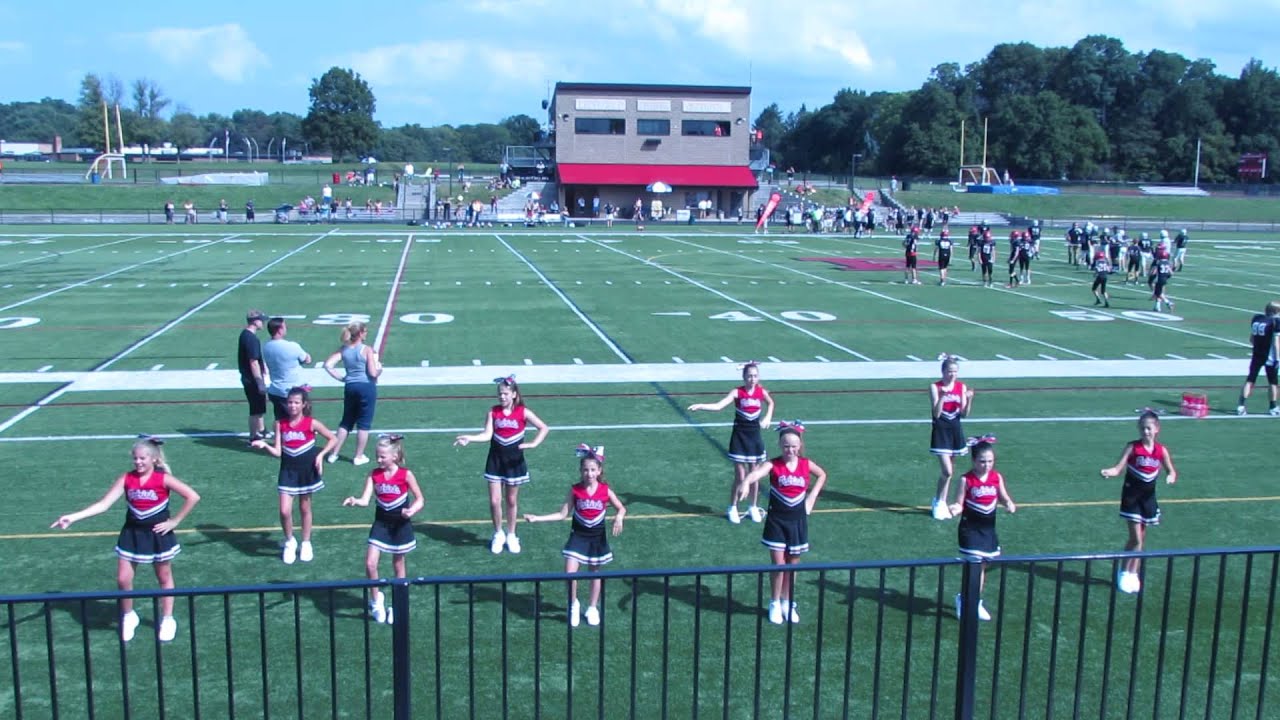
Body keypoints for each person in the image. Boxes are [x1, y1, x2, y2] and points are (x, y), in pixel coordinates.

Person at [51, 437, 201, 642]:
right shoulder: (127, 478)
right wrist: (73, 517)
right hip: (131, 533)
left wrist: (174, 521)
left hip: (158, 534)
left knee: (164, 576)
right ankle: (129, 616)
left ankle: (168, 618)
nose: (138, 462)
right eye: (135, 458)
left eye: (142, 458)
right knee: (123, 579)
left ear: (154, 459)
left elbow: (193, 496)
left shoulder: (163, 478)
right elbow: (104, 504)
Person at [524, 444, 626, 627]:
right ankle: (573, 604)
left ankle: (592, 608)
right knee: (570, 573)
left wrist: (619, 517)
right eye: (586, 470)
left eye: (593, 470)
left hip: (597, 539)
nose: (589, 474)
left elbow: (621, 507)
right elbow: (562, 514)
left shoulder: (605, 490)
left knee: (594, 574)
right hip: (578, 537)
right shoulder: (575, 490)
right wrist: (537, 518)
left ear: (599, 470)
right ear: (580, 471)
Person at [741, 422, 827, 624]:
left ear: (800, 445)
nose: (790, 450)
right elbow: (756, 473)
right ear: (780, 445)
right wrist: (745, 482)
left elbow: (822, 475)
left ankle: (788, 602)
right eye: (786, 446)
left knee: (792, 566)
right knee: (778, 565)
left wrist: (812, 497)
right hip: (777, 521)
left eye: (794, 446)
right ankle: (774, 603)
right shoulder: (773, 464)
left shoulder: (806, 464)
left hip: (797, 522)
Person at [454, 375, 550, 554]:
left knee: (511, 500)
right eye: (500, 394)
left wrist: (533, 444)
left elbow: (544, 428)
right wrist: (470, 438)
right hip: (495, 461)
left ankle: (512, 534)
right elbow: (487, 435)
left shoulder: (523, 412)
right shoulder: (493, 412)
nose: (502, 397)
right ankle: (498, 534)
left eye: (506, 393)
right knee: (494, 501)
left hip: (514, 462)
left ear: (514, 394)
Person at [342, 434, 424, 625]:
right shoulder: (373, 475)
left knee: (398, 565)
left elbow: (420, 498)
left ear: (394, 456)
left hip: (400, 525)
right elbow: (365, 500)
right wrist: (355, 501)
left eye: (382, 457)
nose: (378, 460)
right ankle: (376, 600)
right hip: (381, 523)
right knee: (370, 563)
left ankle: (397, 603)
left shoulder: (406, 474)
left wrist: (411, 510)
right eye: (377, 456)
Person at [251, 386, 337, 564]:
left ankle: (306, 543)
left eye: (297, 402)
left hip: (306, 471)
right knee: (284, 510)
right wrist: (265, 445)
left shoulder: (311, 423)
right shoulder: (280, 424)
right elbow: (278, 452)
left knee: (305, 508)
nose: (293, 406)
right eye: (290, 402)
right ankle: (290, 541)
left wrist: (320, 455)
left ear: (304, 404)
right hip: (288, 471)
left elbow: (333, 438)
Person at [687, 361, 776, 524]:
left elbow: (771, 403)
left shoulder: (761, 392)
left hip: (754, 437)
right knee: (740, 475)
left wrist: (768, 417)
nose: (752, 379)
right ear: (744, 377)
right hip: (740, 437)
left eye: (755, 376)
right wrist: (701, 405)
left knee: (754, 474)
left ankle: (753, 506)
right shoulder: (737, 392)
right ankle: (733, 507)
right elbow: (719, 406)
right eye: (749, 376)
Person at [1100, 410, 1177, 594]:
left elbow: (1171, 470)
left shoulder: (1161, 450)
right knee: (1136, 538)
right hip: (1132, 498)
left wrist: (1171, 477)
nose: (1145, 431)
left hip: (1148, 499)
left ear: (1157, 429)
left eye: (1149, 428)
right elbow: (1118, 468)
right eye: (1142, 428)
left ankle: (1133, 573)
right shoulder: (1133, 447)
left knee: (1141, 538)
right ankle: (1124, 572)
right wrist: (1109, 472)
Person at [947, 435, 1014, 621]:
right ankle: (966, 601)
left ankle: (971, 600)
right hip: (970, 530)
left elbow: (1003, 497)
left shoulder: (996, 477)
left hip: (988, 530)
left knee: (982, 567)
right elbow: (959, 503)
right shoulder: (966, 480)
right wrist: (954, 509)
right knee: (974, 567)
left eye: (990, 461)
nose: (986, 465)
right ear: (974, 461)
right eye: (982, 461)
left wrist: (1009, 504)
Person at [323, 321, 382, 466]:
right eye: (365, 331)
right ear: (360, 333)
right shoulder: (367, 349)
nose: (366, 334)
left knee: (346, 421)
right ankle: (358, 456)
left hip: (350, 386)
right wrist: (380, 370)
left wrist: (342, 378)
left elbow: (328, 365)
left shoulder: (344, 349)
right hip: (366, 387)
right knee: (364, 423)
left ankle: (333, 454)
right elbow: (373, 373)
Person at [929, 355, 974, 520]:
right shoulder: (935, 387)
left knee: (949, 472)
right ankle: (937, 501)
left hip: (955, 431)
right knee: (947, 471)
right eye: (949, 371)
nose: (952, 375)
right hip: (941, 431)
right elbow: (936, 413)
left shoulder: (961, 387)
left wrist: (969, 399)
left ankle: (942, 502)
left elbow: (964, 414)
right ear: (943, 372)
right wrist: (942, 396)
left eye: (955, 372)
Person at [262, 317, 312, 423]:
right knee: (300, 423)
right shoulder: (292, 346)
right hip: (293, 391)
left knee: (280, 422)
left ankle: (278, 435)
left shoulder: (266, 347)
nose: (286, 328)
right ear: (279, 330)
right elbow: (307, 359)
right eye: (284, 326)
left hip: (276, 389)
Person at [1237, 301, 1280, 416]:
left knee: (1250, 380)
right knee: (1273, 382)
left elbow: (1251, 339)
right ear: (1275, 312)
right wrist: (1278, 358)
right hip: (1270, 357)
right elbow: (1276, 342)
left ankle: (1241, 406)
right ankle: (1273, 407)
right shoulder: (1275, 322)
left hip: (1257, 354)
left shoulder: (1257, 318)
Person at [238, 309, 270, 442]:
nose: (263, 322)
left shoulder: (246, 335)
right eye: (261, 320)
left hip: (249, 377)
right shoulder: (251, 339)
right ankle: (253, 436)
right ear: (255, 321)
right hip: (252, 379)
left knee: (259, 406)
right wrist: (259, 381)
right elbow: (253, 362)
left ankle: (261, 430)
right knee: (255, 409)